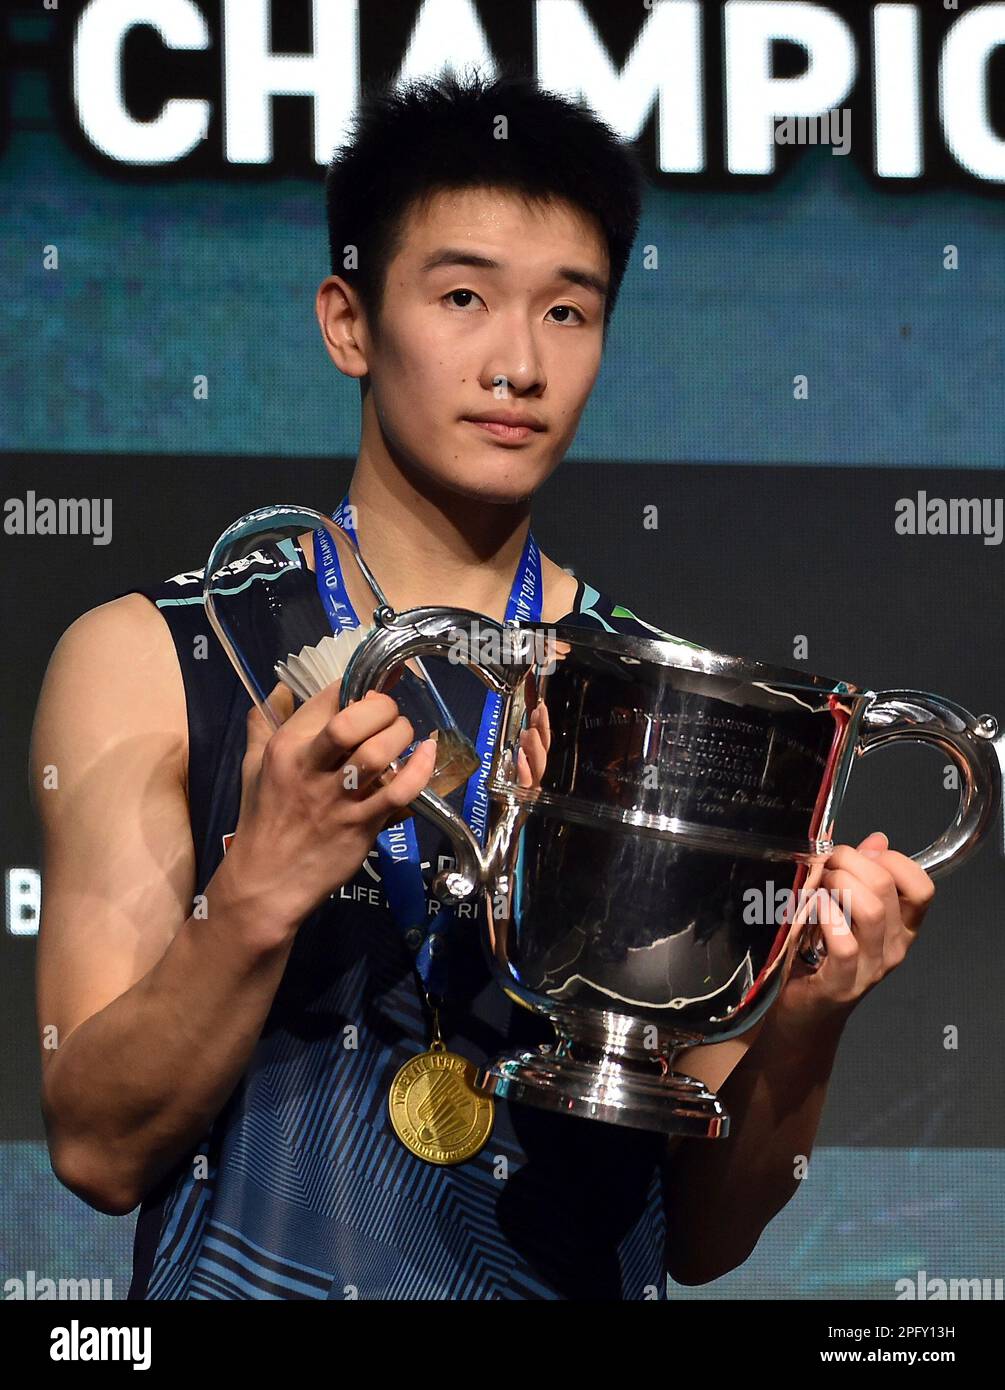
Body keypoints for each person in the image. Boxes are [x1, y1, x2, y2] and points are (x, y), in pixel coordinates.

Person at [31, 69, 936, 1301]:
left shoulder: (662, 706)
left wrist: (810, 1016)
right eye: (463, 296)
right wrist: (254, 897)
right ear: (348, 320)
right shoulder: (159, 657)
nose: (517, 362)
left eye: (569, 313)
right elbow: (96, 1145)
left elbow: (709, 1238)